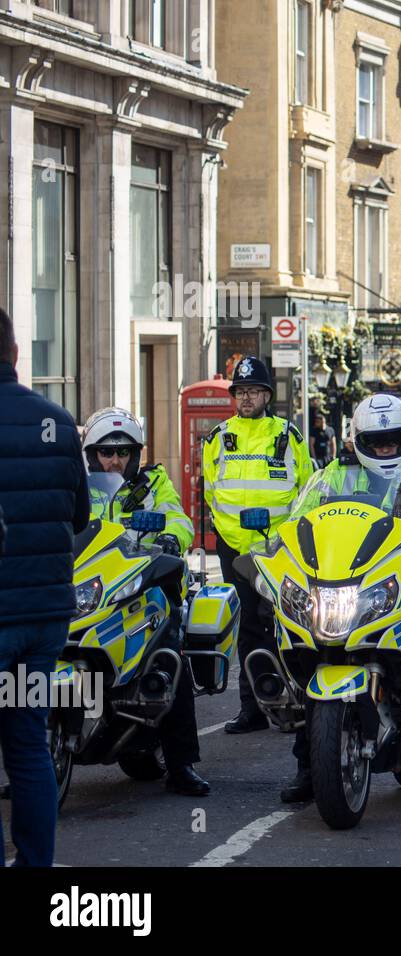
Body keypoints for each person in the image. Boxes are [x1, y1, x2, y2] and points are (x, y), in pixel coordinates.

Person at [277, 394, 401, 802]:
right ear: (358, 441)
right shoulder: (334, 474)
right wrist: (281, 545)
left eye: (394, 441)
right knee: (295, 644)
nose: (386, 450)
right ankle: (309, 765)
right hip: (346, 579)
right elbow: (299, 518)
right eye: (377, 442)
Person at [0, 307, 90, 866]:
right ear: (14, 355)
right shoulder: (55, 421)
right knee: (29, 747)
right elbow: (79, 516)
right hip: (42, 626)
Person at [81, 408, 209, 796]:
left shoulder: (153, 483)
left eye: (122, 451)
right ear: (92, 455)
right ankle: (29, 762)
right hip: (94, 587)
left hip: (146, 583)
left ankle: (181, 763)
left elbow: (179, 519)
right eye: (106, 452)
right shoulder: (81, 487)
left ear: (136, 453)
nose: (115, 460)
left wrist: (171, 536)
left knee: (168, 657)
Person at [202, 356, 313, 738]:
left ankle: (293, 701)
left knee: (286, 624)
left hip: (279, 550)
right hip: (235, 550)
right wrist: (230, 536)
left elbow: (306, 492)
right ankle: (252, 707)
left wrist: (290, 540)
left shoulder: (289, 436)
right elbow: (210, 492)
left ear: (267, 395)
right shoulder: (217, 438)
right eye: (241, 392)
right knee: (248, 628)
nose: (246, 398)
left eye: (253, 391)